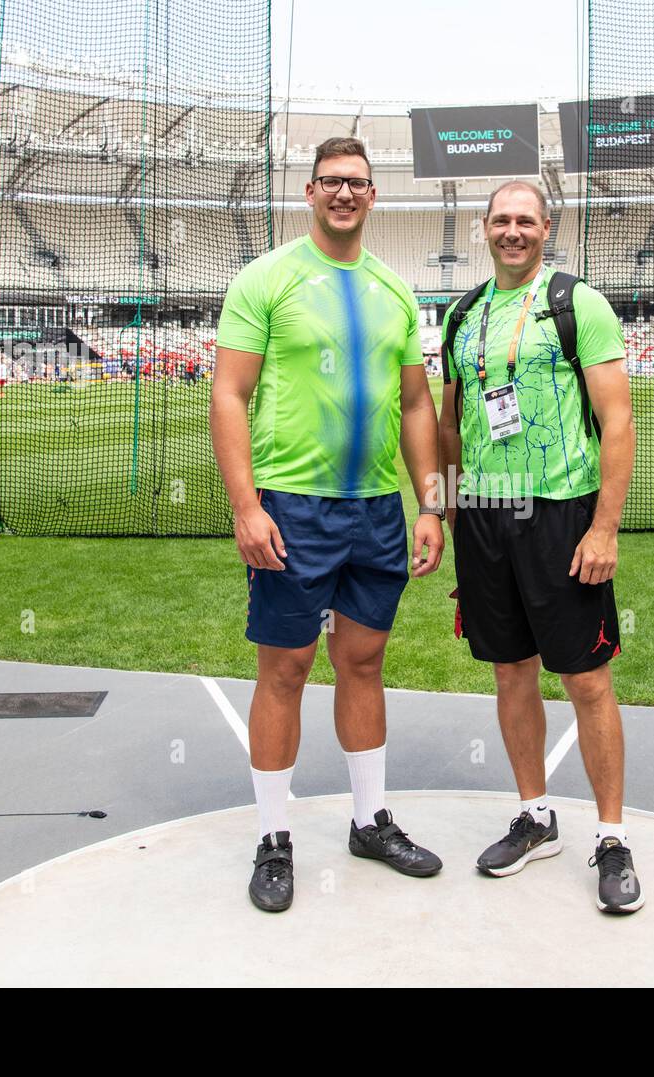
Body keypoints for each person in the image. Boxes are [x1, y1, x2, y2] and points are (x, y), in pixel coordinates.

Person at [211, 136, 446, 914]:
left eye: (359, 183)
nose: (346, 194)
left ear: (373, 196)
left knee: (365, 662)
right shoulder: (267, 278)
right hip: (291, 506)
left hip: (375, 509)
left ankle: (369, 820)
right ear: (310, 192)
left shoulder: (395, 291)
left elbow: (417, 406)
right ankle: (274, 837)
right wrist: (246, 505)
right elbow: (229, 395)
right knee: (285, 668)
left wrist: (431, 502)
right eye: (332, 182)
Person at [439, 180, 643, 913]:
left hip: (562, 513)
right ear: (483, 229)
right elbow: (452, 422)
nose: (513, 231)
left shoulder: (577, 302)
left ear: (546, 227)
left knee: (586, 679)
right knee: (510, 673)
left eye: (525, 220)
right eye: (501, 220)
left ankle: (613, 836)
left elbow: (617, 421)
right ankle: (536, 815)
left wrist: (604, 527)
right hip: (487, 517)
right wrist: (453, 509)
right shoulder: (463, 315)